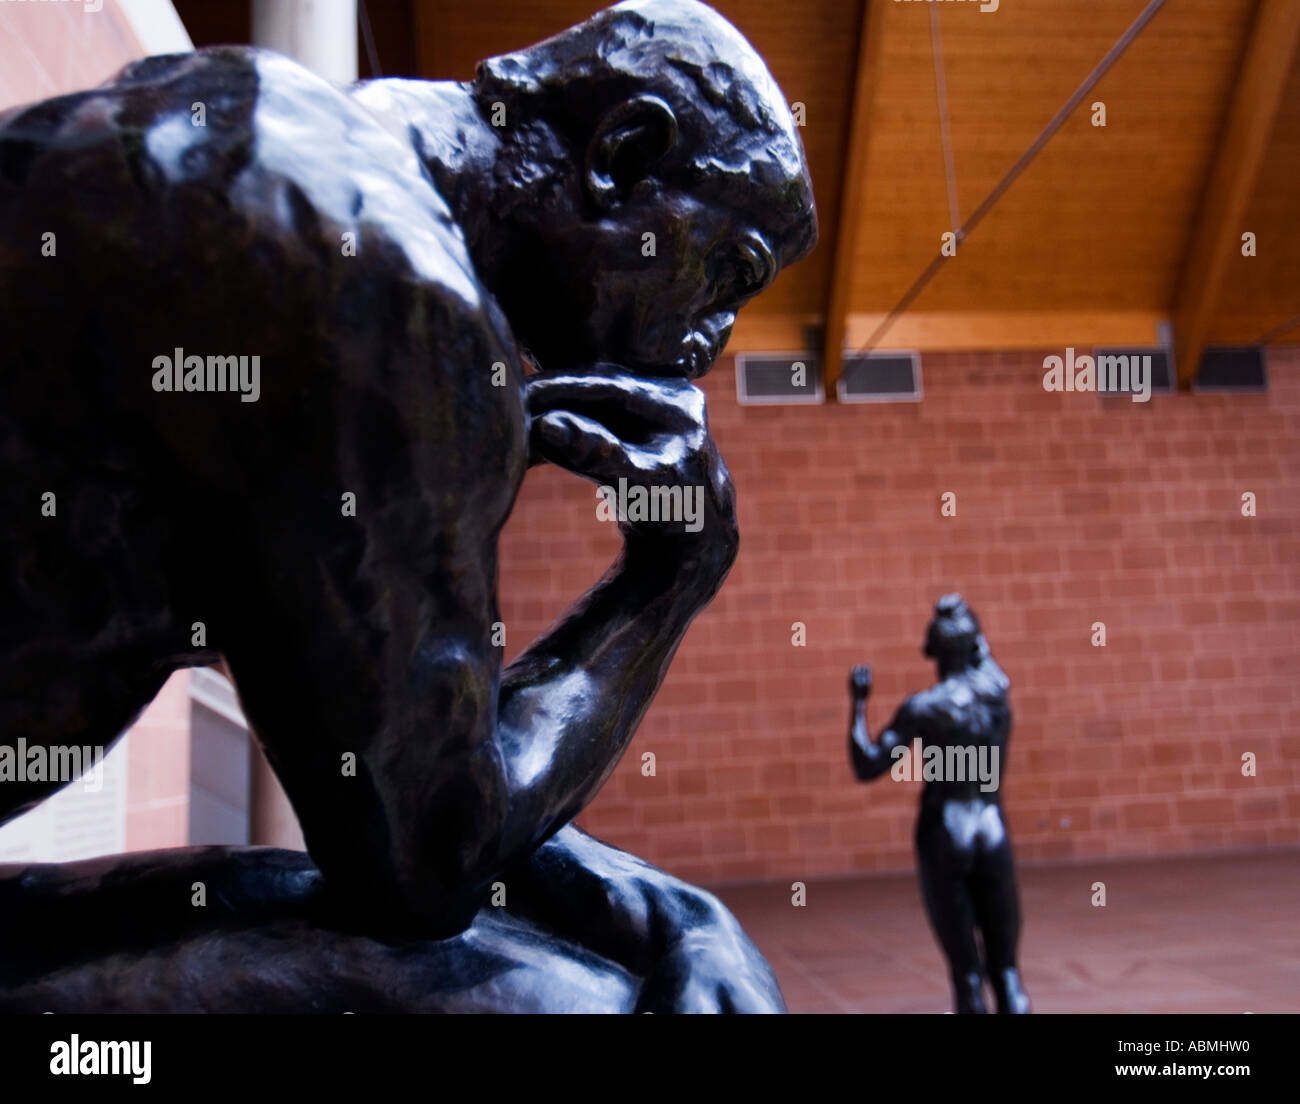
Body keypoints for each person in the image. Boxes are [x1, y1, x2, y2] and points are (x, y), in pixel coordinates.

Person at [0, 0, 815, 1011]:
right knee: (582, 1004)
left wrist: (661, 909)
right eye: (726, 272)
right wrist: (664, 583)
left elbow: (411, 779)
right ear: (622, 153)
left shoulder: (248, 119)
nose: (715, 341)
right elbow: (429, 864)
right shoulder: (390, 290)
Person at [848, 595, 1031, 1013]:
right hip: (991, 827)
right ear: (975, 645)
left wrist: (858, 701)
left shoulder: (924, 709)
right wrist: (972, 634)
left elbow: (868, 763)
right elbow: (989, 664)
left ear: (931, 651)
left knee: (967, 974)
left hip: (945, 833)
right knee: (1006, 971)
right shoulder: (996, 698)